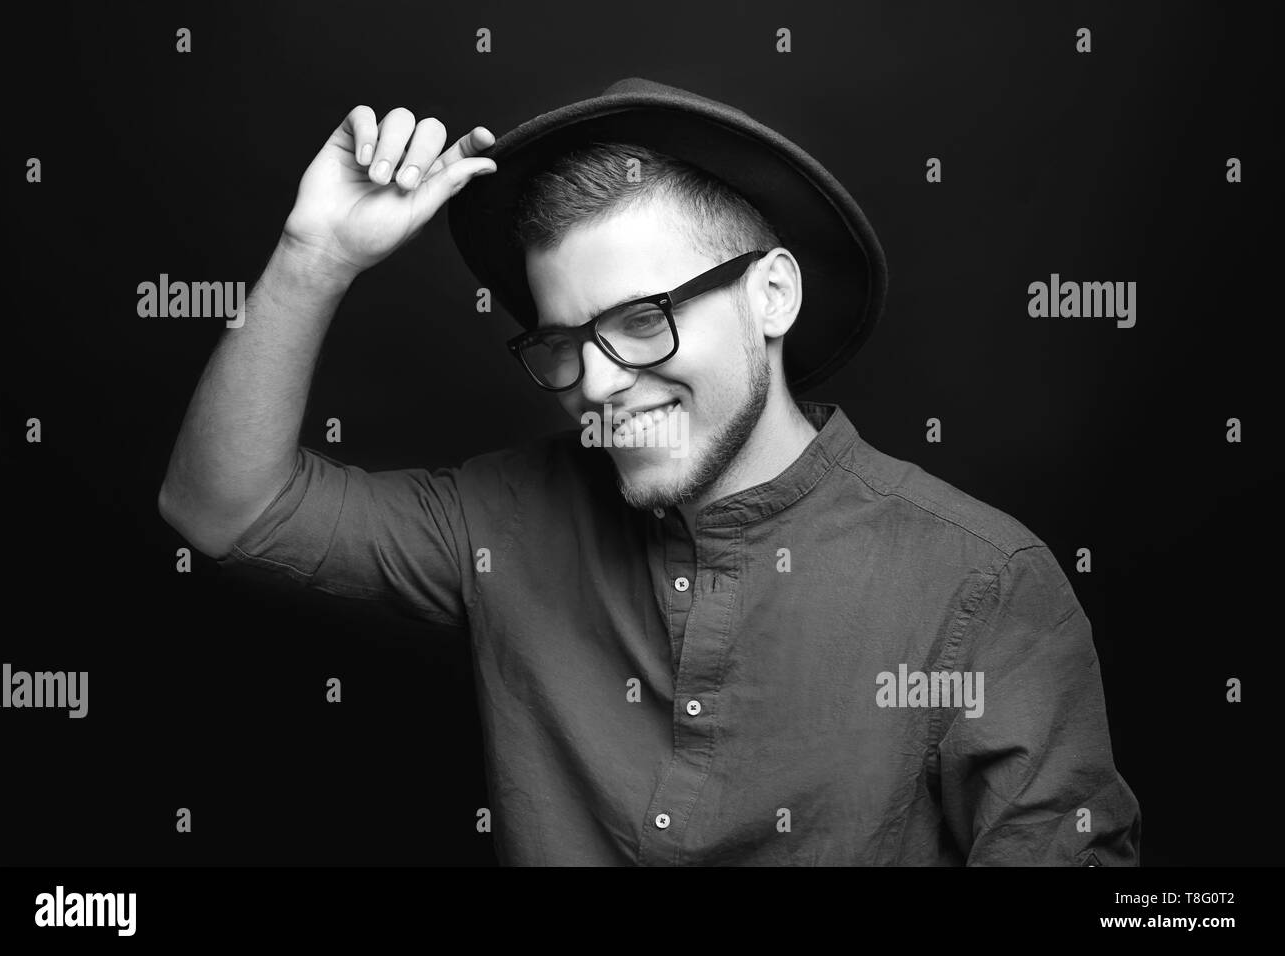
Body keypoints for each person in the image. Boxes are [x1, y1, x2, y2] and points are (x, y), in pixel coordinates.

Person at [158, 77, 1141, 866]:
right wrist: (312, 254)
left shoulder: (983, 579)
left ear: (770, 293)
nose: (595, 381)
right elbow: (221, 505)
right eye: (561, 343)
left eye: (640, 320)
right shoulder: (499, 516)